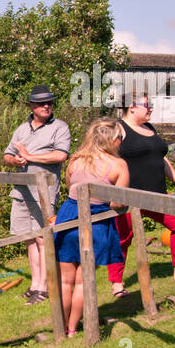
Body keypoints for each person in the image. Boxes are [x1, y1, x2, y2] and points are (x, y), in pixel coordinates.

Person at [106, 97, 175, 294]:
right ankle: (117, 283)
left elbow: (162, 158)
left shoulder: (150, 127)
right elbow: (106, 156)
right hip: (129, 196)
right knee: (122, 239)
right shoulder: (118, 129)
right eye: (146, 105)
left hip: (157, 193)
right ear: (132, 108)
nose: (151, 108)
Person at [53, 119, 130, 336]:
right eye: (120, 139)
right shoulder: (118, 166)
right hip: (95, 220)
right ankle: (72, 328)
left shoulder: (76, 161)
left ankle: (61, 327)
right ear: (114, 140)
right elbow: (118, 201)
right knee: (83, 280)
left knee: (65, 280)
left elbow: (71, 190)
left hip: (68, 217)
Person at [3, 84, 71, 305]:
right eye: (42, 103)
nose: (46, 106)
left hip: (45, 193)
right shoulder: (22, 129)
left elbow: (60, 155)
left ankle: (44, 288)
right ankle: (34, 285)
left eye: (50, 102)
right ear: (31, 105)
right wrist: (16, 160)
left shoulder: (60, 127)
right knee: (29, 239)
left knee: (43, 238)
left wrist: (29, 156)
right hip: (21, 191)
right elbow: (7, 156)